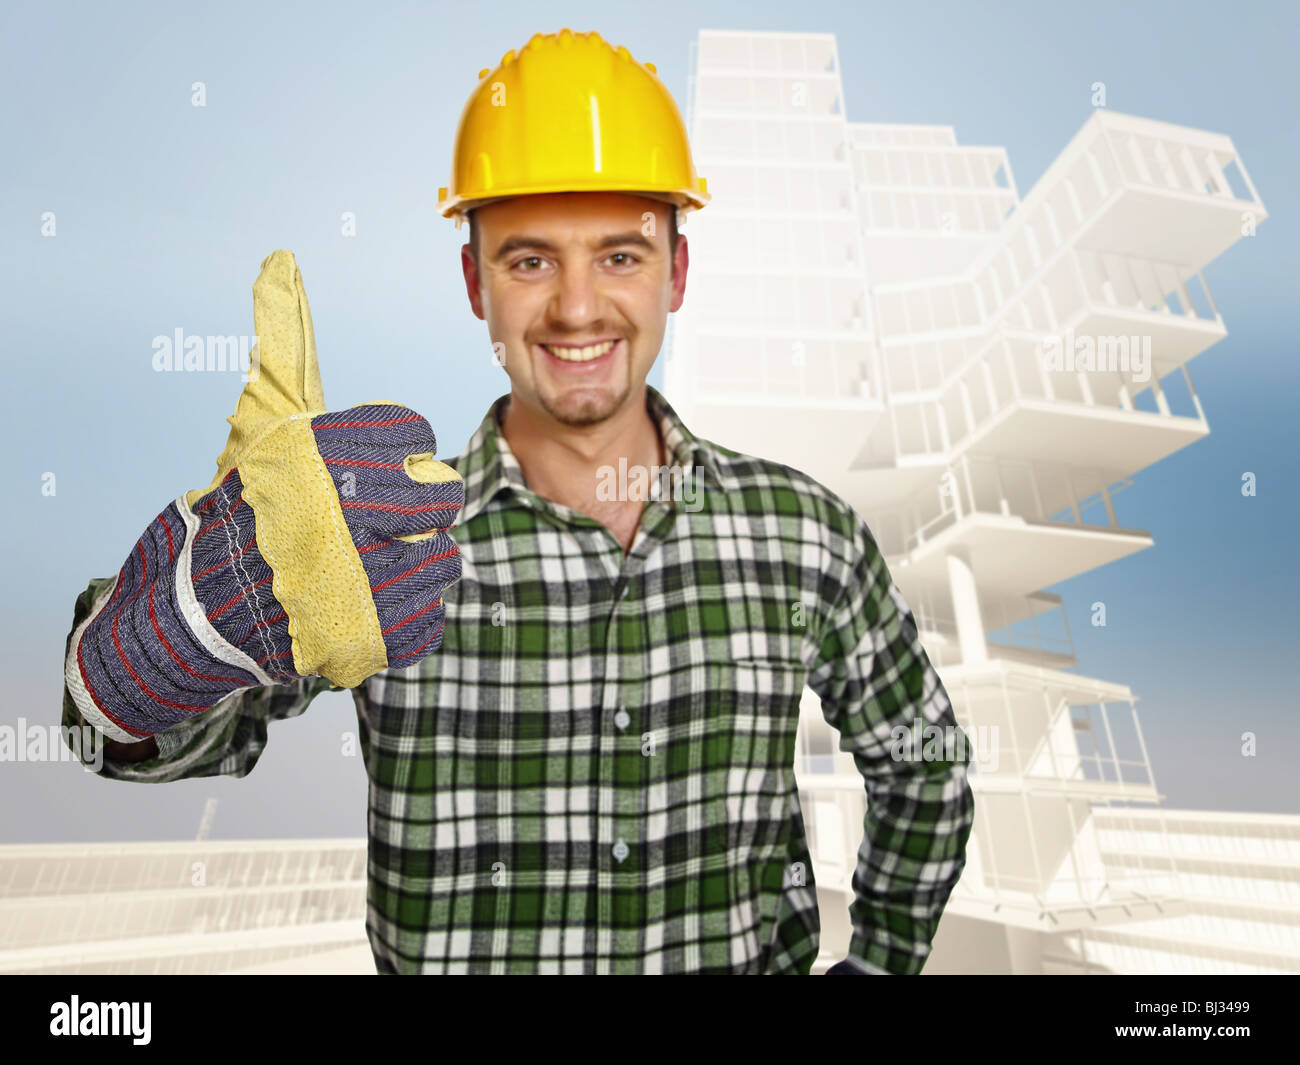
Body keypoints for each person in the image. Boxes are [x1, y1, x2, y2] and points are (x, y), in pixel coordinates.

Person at [61, 28, 975, 975]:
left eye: (621, 255)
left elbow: (925, 759)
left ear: (679, 273)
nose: (578, 308)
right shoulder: (373, 539)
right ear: (475, 283)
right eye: (531, 260)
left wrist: (882, 961)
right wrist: (175, 630)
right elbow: (102, 734)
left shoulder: (805, 535)